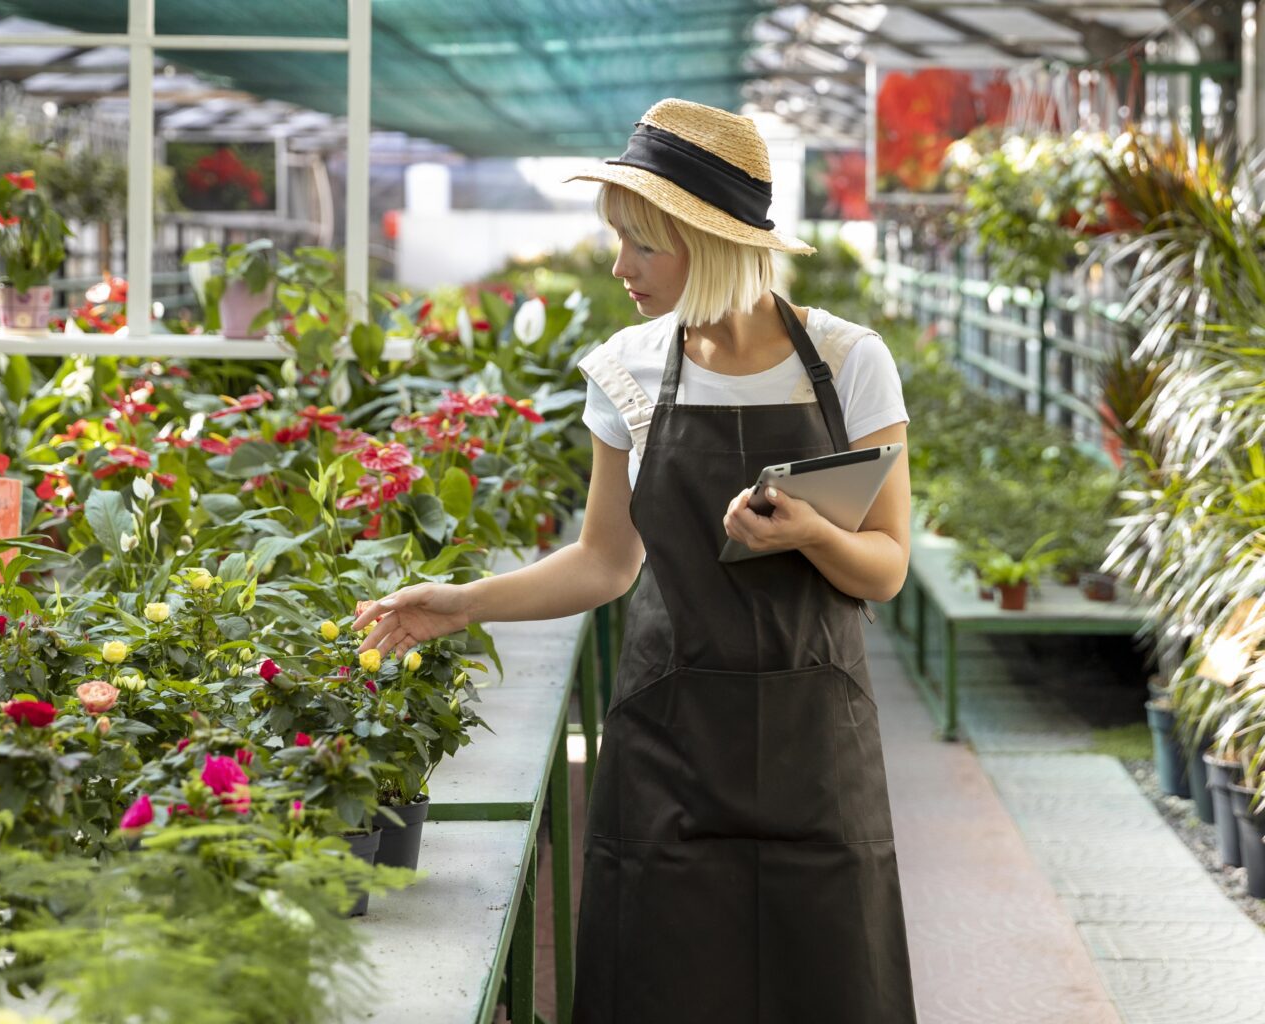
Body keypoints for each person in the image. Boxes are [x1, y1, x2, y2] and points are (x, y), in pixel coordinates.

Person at [353, 98, 918, 1022]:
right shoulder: (628, 367)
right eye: (618, 241)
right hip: (670, 739)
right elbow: (604, 563)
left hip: (817, 737)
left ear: (712, 242)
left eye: (642, 246)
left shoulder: (851, 362)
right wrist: (463, 601)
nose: (621, 269)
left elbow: (886, 567)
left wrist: (814, 535)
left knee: (831, 984)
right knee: (663, 987)